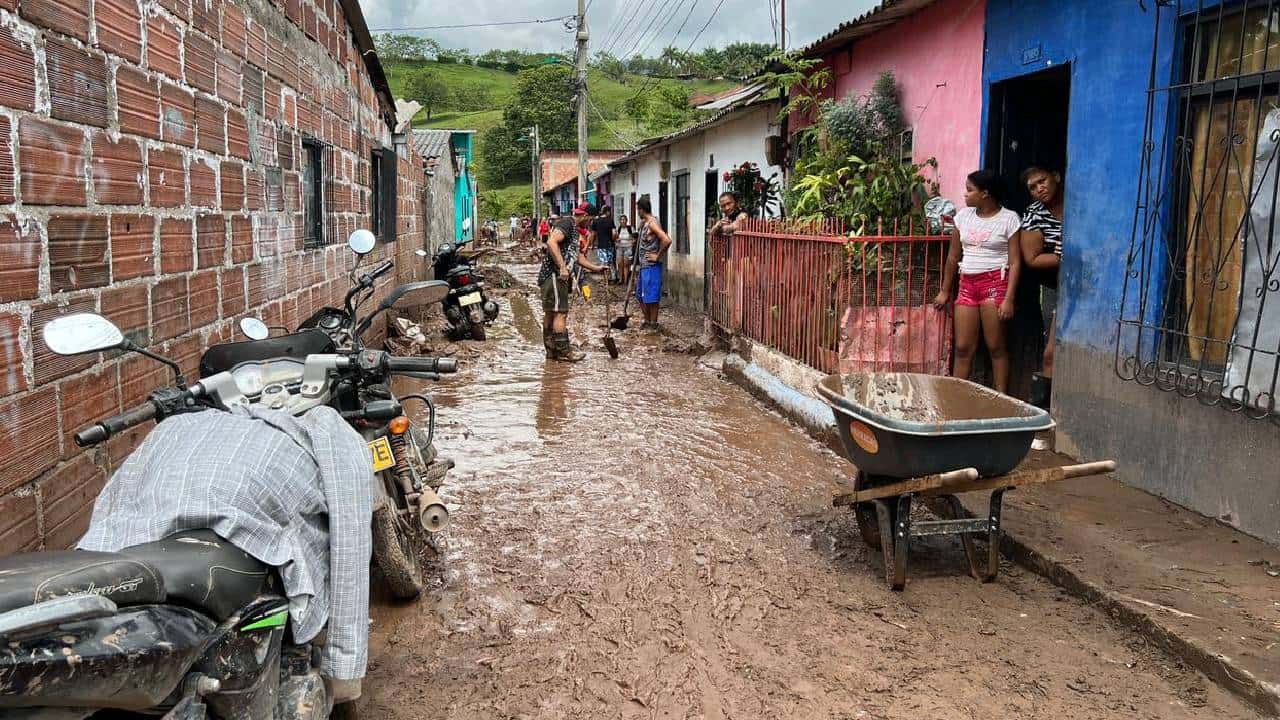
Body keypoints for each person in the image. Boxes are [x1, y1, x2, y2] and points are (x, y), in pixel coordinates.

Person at [933, 170, 1023, 395]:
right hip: (967, 284)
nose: (965, 195)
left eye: (970, 190)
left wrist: (1009, 299)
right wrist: (945, 290)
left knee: (996, 347)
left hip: (995, 284)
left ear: (985, 193)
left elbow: (1015, 261)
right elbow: (953, 257)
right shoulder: (962, 217)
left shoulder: (1009, 219)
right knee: (963, 348)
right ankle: (955, 396)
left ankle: (1001, 397)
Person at [539, 202, 610, 361]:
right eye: (590, 219)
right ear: (585, 216)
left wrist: (596, 268)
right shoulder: (567, 223)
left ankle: (552, 351)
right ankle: (564, 352)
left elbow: (577, 257)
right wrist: (562, 268)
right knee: (561, 313)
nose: (590, 222)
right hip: (555, 275)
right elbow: (551, 242)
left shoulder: (574, 230)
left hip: (552, 276)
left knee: (551, 313)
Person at [1019, 166, 1064, 410]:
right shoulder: (1034, 213)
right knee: (1051, 350)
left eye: (1042, 181)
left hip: (1088, 285)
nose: (1040, 189)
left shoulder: (1079, 200)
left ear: (1056, 176)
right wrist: (1062, 257)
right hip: (1053, 287)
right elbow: (1031, 259)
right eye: (1033, 187)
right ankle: (1045, 415)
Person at [634, 194, 672, 330]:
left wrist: (658, 255)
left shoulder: (652, 223)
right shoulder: (646, 222)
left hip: (651, 266)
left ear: (641, 210)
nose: (637, 212)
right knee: (640, 295)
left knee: (651, 297)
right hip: (644, 266)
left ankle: (653, 324)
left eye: (637, 210)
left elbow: (666, 240)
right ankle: (647, 321)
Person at [590, 205, 618, 284]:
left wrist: (592, 244)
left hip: (601, 245)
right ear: (608, 212)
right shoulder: (610, 220)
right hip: (610, 245)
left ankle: (606, 279)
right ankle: (613, 278)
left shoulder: (596, 221)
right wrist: (613, 240)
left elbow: (593, 234)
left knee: (603, 263)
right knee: (611, 262)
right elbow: (614, 233)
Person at [616, 214, 636, 287]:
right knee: (620, 264)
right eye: (621, 220)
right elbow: (616, 238)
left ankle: (625, 280)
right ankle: (620, 279)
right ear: (619, 221)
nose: (623, 221)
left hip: (628, 247)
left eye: (624, 219)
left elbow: (634, 239)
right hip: (620, 248)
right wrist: (617, 241)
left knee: (626, 264)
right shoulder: (618, 229)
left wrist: (631, 242)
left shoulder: (630, 228)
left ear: (626, 221)